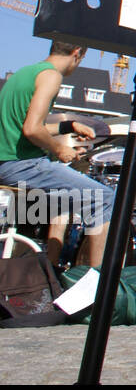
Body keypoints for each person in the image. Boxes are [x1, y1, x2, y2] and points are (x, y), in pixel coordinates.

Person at [0, 41, 114, 267]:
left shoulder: (24, 73)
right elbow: (32, 129)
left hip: (7, 163)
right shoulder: (51, 76)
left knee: (64, 205)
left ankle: (50, 268)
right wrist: (59, 148)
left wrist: (68, 126)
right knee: (104, 197)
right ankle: (95, 283)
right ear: (77, 53)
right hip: (22, 165)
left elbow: (24, 125)